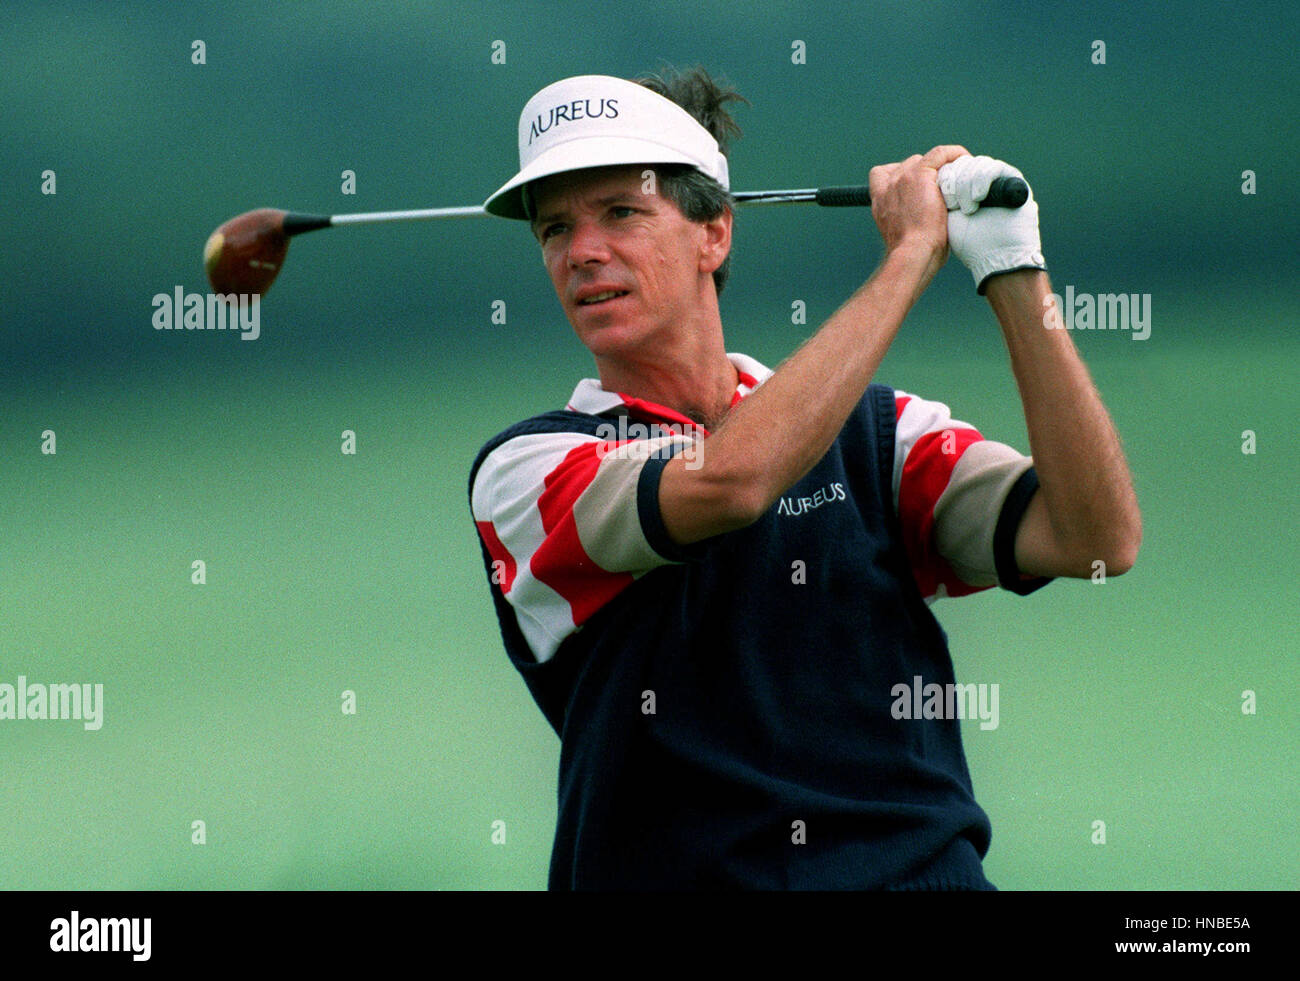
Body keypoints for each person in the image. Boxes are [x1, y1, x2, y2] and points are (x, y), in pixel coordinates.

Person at [467, 67, 1141, 890]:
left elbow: (1095, 537)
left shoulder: (878, 435)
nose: (581, 251)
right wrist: (911, 258)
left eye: (620, 214)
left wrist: (1013, 267)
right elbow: (730, 485)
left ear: (714, 231)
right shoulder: (528, 471)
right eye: (554, 229)